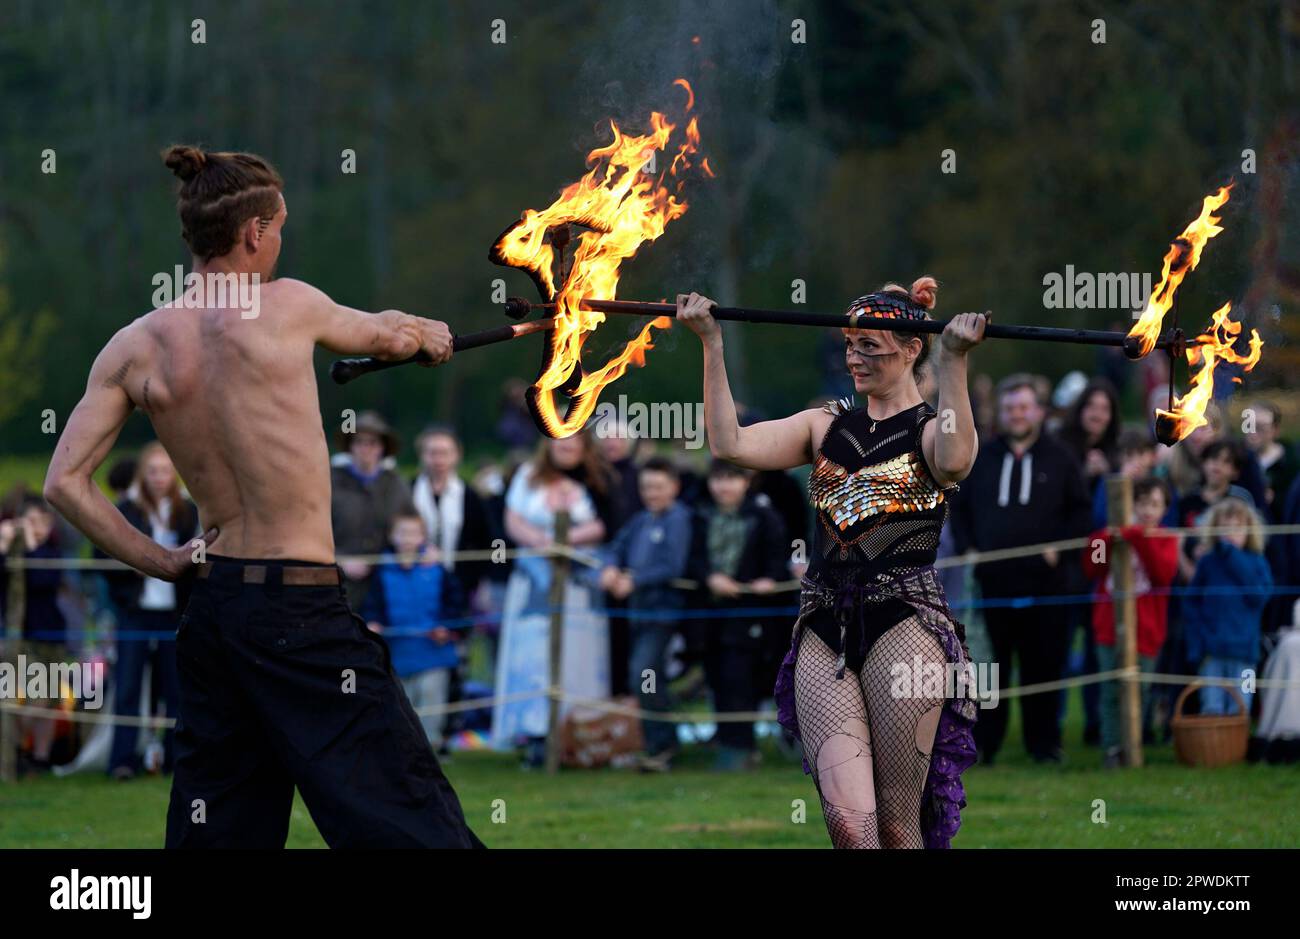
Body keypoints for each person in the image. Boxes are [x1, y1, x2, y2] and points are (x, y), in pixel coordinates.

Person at [42, 145, 481, 848]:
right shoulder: (290, 306)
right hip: (301, 607)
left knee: (219, 827)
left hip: (214, 608)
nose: (280, 242)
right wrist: (427, 335)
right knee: (402, 807)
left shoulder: (136, 345)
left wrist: (162, 561)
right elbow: (389, 334)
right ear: (253, 232)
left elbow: (62, 482)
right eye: (278, 228)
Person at [678, 277, 987, 849]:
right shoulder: (826, 424)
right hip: (822, 625)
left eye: (870, 345)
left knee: (899, 828)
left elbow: (956, 460)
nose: (855, 357)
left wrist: (956, 360)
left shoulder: (926, 432)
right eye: (850, 344)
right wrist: (711, 344)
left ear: (911, 347)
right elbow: (730, 445)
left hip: (905, 623)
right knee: (850, 828)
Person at [950, 374, 1092, 764]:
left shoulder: (1061, 458)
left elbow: (1081, 512)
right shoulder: (981, 456)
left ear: (1040, 412)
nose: (1017, 414)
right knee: (988, 668)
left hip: (1047, 584)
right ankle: (985, 746)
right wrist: (969, 548)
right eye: (1010, 407)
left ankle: (1043, 746)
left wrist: (1058, 552)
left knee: (1043, 666)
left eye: (1024, 407)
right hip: (992, 583)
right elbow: (957, 507)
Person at [491, 435, 608, 763]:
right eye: (560, 441)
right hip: (533, 584)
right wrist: (541, 543)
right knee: (533, 655)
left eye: (573, 443)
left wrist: (566, 540)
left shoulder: (595, 479)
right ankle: (533, 732)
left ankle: (576, 735)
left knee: (575, 657)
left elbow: (606, 522)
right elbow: (512, 519)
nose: (565, 447)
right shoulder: (528, 476)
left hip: (579, 586)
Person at [101, 442, 199, 779]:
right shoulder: (126, 509)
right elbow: (101, 554)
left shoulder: (187, 510)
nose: (159, 478)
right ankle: (122, 761)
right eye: (153, 471)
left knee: (175, 688)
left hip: (174, 613)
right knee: (127, 686)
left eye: (165, 471)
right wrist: (133, 566)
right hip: (135, 611)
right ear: (144, 473)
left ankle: (175, 758)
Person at [688, 458, 789, 770]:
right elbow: (692, 557)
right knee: (716, 675)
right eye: (718, 479)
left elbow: (778, 556)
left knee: (740, 676)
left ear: (746, 482)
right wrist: (709, 577)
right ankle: (727, 741)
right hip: (710, 611)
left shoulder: (765, 516)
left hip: (751, 613)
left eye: (732, 479)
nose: (724, 486)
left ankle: (741, 747)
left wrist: (769, 580)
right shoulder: (700, 515)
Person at [598, 457, 693, 771]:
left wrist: (634, 580)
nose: (651, 493)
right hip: (638, 614)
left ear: (674, 488)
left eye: (658, 487)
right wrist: (610, 568)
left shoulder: (679, 519)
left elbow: (672, 566)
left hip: (662, 615)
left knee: (646, 674)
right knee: (645, 677)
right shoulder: (641, 520)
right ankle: (659, 742)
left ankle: (662, 746)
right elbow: (616, 546)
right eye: (646, 487)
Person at [1081, 477, 1179, 767]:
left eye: (1155, 505)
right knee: (1110, 689)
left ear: (1163, 510)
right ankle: (1112, 747)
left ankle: (1134, 745)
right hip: (1109, 627)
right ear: (1130, 504)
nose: (1148, 510)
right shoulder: (1106, 536)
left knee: (1140, 690)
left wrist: (1139, 537)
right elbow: (1092, 568)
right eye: (1142, 503)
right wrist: (1109, 540)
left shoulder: (1165, 540)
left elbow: (1163, 575)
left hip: (1148, 631)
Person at [361, 512, 465, 751]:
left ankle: (431, 746)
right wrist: (373, 621)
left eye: (414, 533)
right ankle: (404, 747)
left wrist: (446, 627)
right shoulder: (383, 570)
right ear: (392, 536)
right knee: (402, 700)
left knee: (431, 696)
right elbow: (373, 604)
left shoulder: (437, 568)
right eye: (402, 533)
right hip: (398, 651)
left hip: (433, 650)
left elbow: (455, 602)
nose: (408, 538)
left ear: (424, 537)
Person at [1183, 497, 1273, 716]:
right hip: (1212, 654)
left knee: (1243, 705)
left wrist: (1233, 555)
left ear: (1249, 530)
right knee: (1211, 705)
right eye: (1225, 527)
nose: (1231, 534)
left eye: (1237, 528)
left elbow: (1259, 597)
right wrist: (1198, 644)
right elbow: (1191, 601)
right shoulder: (1207, 562)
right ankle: (1214, 750)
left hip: (1247, 654)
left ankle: (1237, 749)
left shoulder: (1257, 561)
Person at [0, 500, 69, 774]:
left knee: (50, 700)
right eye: (30, 522)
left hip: (52, 632)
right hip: (21, 636)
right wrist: (8, 544)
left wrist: (29, 543)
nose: (37, 528)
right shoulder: (11, 554)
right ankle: (16, 747)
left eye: (42, 522)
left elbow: (43, 579)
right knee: (34, 698)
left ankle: (39, 757)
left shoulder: (52, 553)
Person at [330, 410, 414, 613]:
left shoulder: (396, 484)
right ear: (350, 447)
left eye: (372, 443)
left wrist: (420, 549)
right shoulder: (330, 480)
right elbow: (312, 529)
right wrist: (339, 559)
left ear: (382, 448)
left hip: (385, 583)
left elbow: (412, 526)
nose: (365, 449)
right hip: (336, 583)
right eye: (359, 442)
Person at [411, 424, 494, 612]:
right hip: (413, 582)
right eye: (432, 453)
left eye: (445, 453)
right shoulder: (408, 491)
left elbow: (485, 540)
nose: (439, 460)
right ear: (422, 455)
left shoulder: (471, 496)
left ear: (457, 455)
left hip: (458, 586)